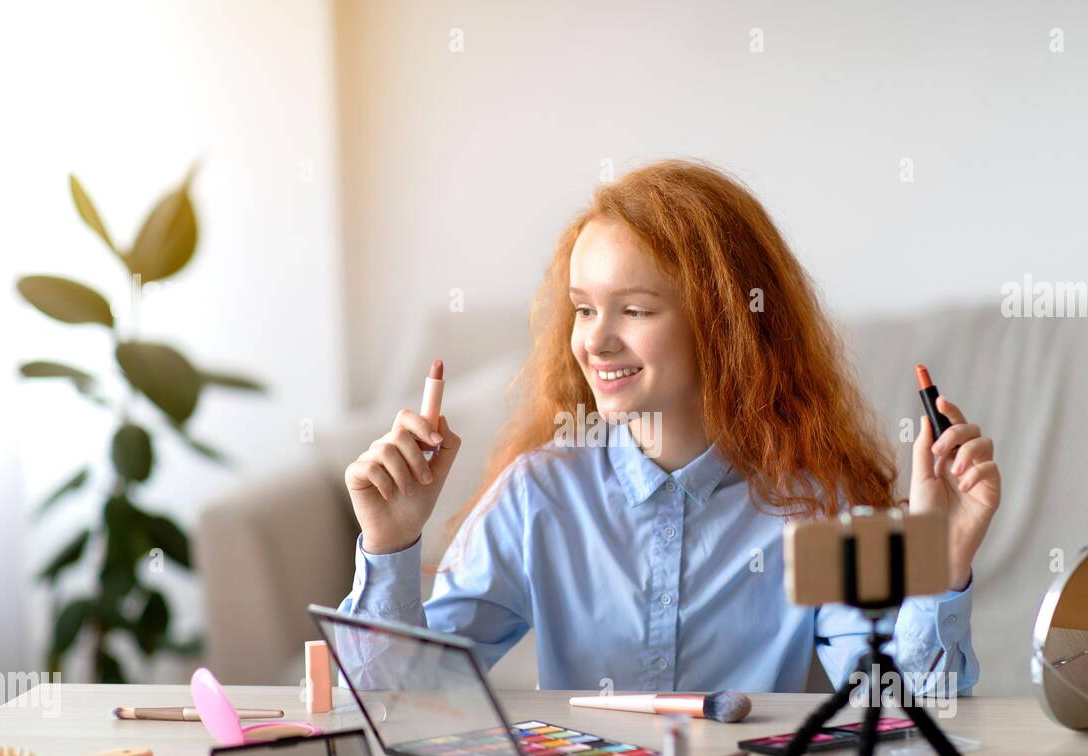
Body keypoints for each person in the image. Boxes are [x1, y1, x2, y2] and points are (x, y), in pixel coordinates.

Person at [339, 159, 1000, 695]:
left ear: (724, 327)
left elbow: (899, 714)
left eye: (633, 309)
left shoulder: (814, 507)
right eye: (583, 309)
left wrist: (939, 568)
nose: (595, 343)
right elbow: (401, 699)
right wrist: (390, 543)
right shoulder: (539, 496)